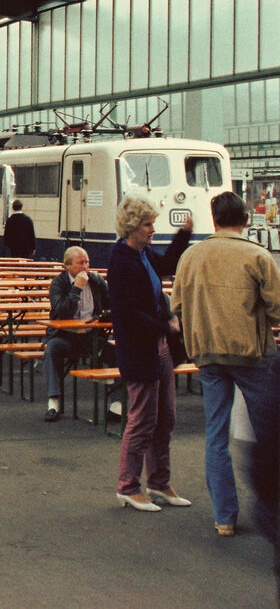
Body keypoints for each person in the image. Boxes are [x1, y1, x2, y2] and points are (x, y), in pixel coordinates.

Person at [172, 191, 280, 538]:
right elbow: (277, 308)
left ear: (214, 219)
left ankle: (225, 517)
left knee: (215, 435)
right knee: (270, 435)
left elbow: (176, 306)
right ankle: (272, 509)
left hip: (206, 354)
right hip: (252, 355)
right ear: (245, 220)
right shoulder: (256, 255)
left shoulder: (191, 256)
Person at [107, 196, 193, 512]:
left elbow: (168, 265)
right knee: (142, 418)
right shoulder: (122, 260)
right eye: (147, 224)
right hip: (139, 348)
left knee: (165, 417)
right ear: (132, 227)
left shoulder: (142, 254)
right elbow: (127, 313)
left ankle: (159, 482)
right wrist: (165, 324)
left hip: (157, 345)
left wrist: (183, 234)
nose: (152, 229)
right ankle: (128, 486)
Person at [44, 246, 110, 422]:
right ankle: (53, 402)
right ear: (67, 266)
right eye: (80, 263)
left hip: (91, 336)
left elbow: (111, 303)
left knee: (121, 356)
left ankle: (116, 405)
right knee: (51, 349)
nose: (85, 267)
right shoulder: (58, 284)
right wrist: (76, 289)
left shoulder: (96, 280)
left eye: (87, 262)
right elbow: (62, 312)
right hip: (64, 336)